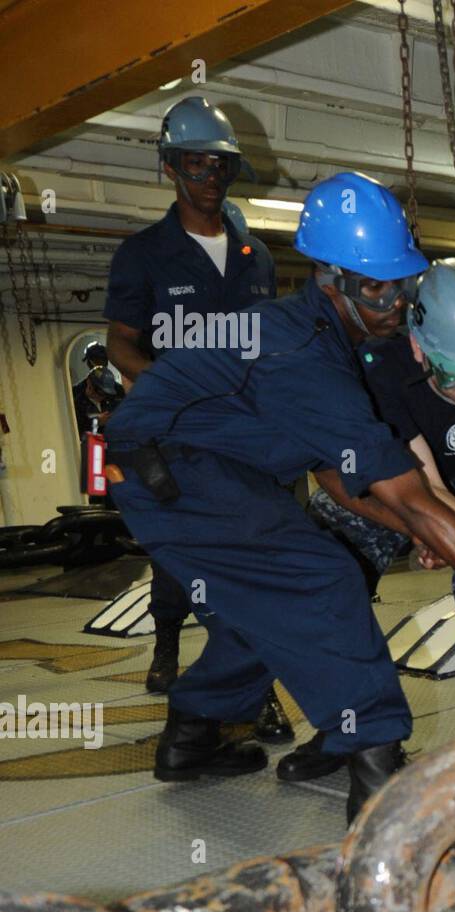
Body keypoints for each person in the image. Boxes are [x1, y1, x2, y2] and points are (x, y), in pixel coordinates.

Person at [104, 172, 455, 823]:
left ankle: (190, 737)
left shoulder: (335, 341)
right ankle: (376, 770)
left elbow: (337, 472)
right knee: (323, 578)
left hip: (214, 470)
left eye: (399, 283)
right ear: (331, 280)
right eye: (376, 287)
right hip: (165, 474)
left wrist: (410, 526)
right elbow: (417, 497)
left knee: (262, 606)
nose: (394, 303)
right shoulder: (305, 355)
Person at [277, 258, 455, 781]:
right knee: (320, 563)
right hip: (397, 479)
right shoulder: (381, 367)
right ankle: (345, 726)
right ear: (418, 347)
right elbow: (426, 492)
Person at [102, 96, 289, 742]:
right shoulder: (143, 255)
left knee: (254, 565)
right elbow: (120, 342)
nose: (210, 178)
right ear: (170, 168)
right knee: (183, 564)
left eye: (221, 166)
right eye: (196, 164)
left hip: (247, 439)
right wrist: (163, 386)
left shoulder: (256, 260)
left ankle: (255, 691)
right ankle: (167, 651)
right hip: (177, 438)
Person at [72, 343, 123, 436]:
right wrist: (96, 422)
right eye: (99, 392)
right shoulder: (74, 395)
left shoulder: (119, 391)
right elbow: (73, 428)